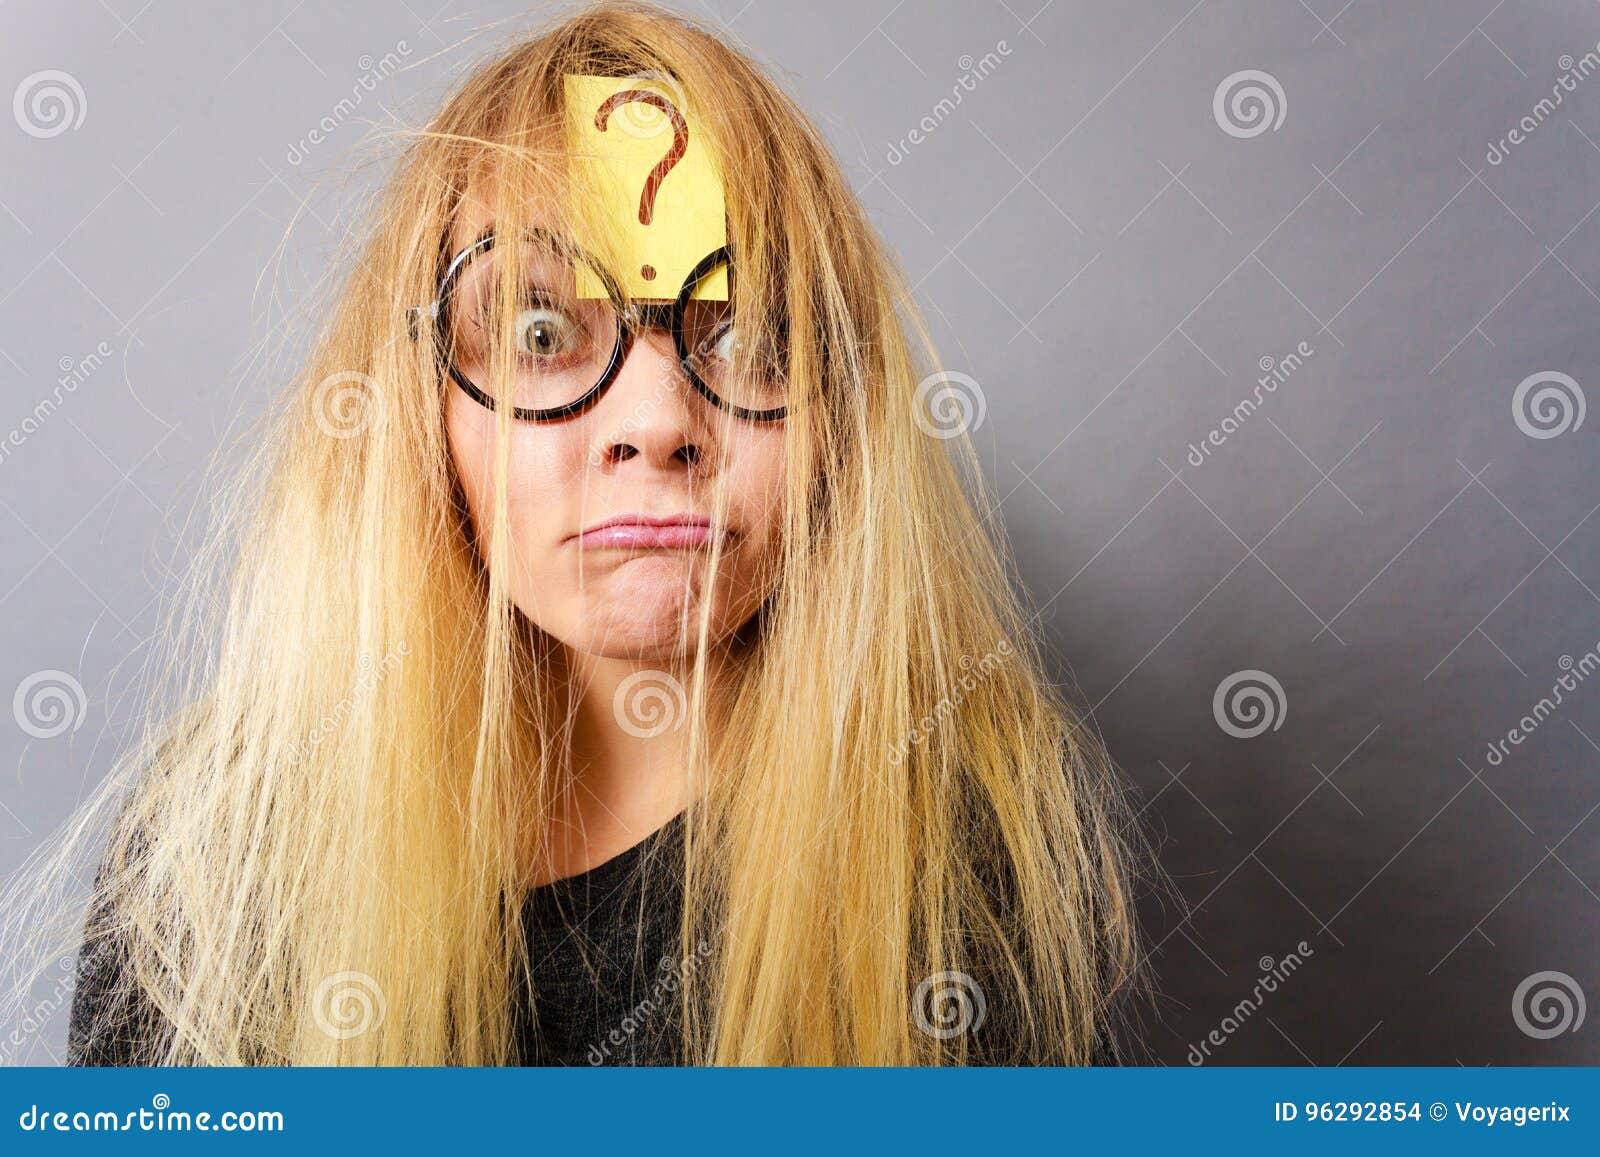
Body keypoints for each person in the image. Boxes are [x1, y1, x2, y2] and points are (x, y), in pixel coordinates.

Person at [34, 0, 1148, 1066]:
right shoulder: (219, 862)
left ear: (840, 427)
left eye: (752, 334)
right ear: (423, 419)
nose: (659, 423)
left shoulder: (977, 851)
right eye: (539, 329)